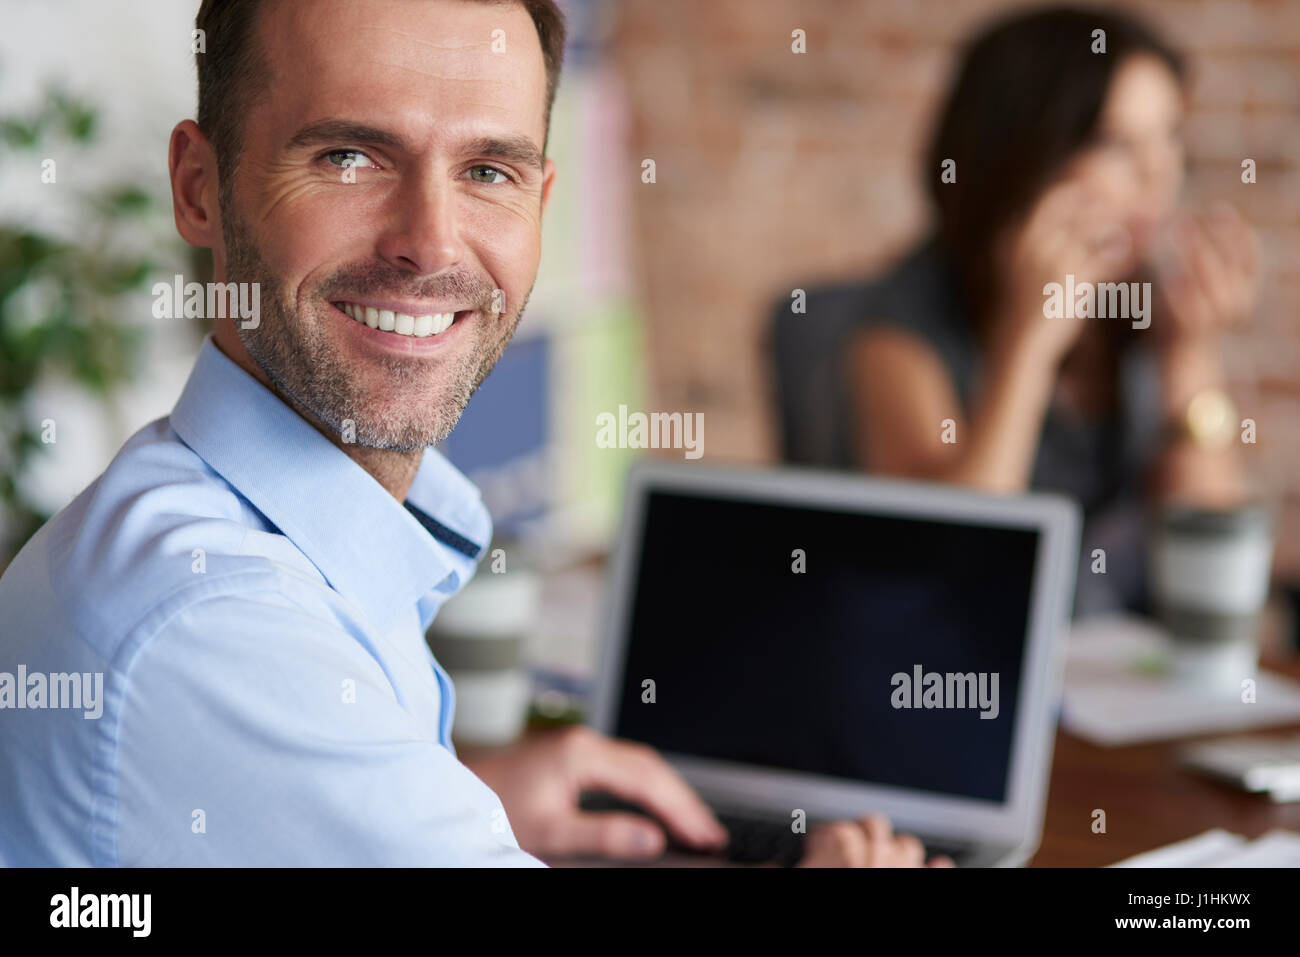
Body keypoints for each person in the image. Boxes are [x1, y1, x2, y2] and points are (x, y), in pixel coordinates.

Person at [0, 0, 948, 868]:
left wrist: (466, 792)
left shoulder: (217, 532)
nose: (433, 241)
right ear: (199, 189)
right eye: (349, 157)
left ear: (539, 204)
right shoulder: (213, 624)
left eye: (487, 171)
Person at [842, 6, 1258, 615]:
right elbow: (948, 568)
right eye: (1116, 143)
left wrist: (1188, 357)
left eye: (1169, 136)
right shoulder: (903, 322)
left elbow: (1215, 590)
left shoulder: (1145, 304)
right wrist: (1027, 340)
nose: (1158, 173)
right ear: (1024, 158)